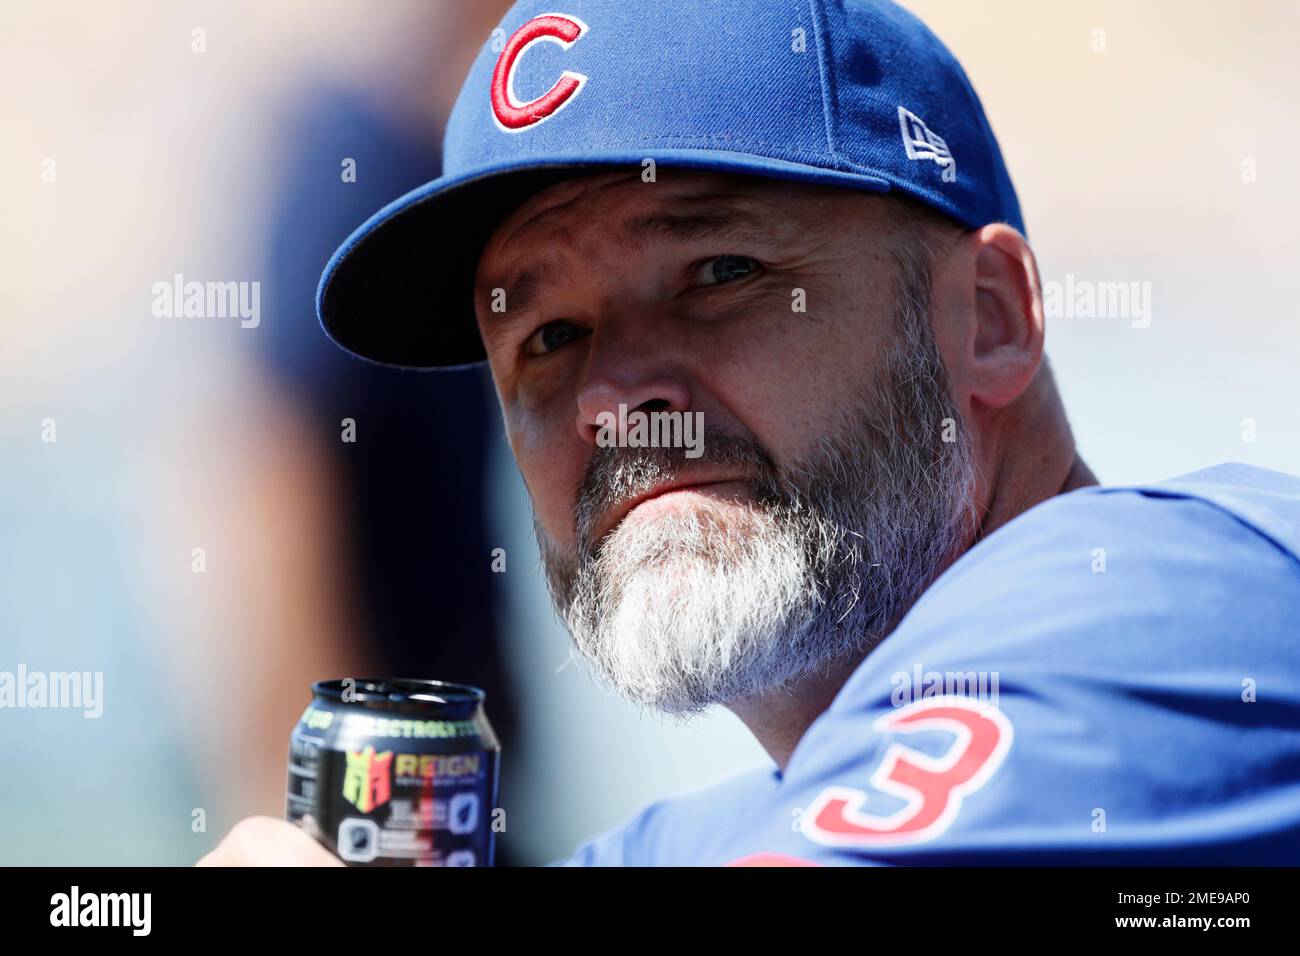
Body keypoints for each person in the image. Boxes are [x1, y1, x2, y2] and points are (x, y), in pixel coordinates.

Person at [200, 0, 1300, 866]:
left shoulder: (1175, 610)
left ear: (994, 318)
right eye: (548, 335)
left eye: (719, 273)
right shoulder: (698, 835)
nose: (611, 398)